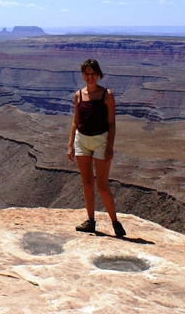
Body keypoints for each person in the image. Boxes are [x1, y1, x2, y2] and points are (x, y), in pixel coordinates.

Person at [67, 58, 126, 237]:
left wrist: (110, 146)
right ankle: (90, 221)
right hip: (82, 141)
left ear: (98, 75)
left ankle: (115, 222)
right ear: (83, 75)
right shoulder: (79, 95)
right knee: (87, 183)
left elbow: (112, 123)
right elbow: (75, 121)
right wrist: (70, 144)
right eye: (86, 73)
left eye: (93, 73)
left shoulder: (107, 95)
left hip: (101, 141)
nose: (90, 77)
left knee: (102, 185)